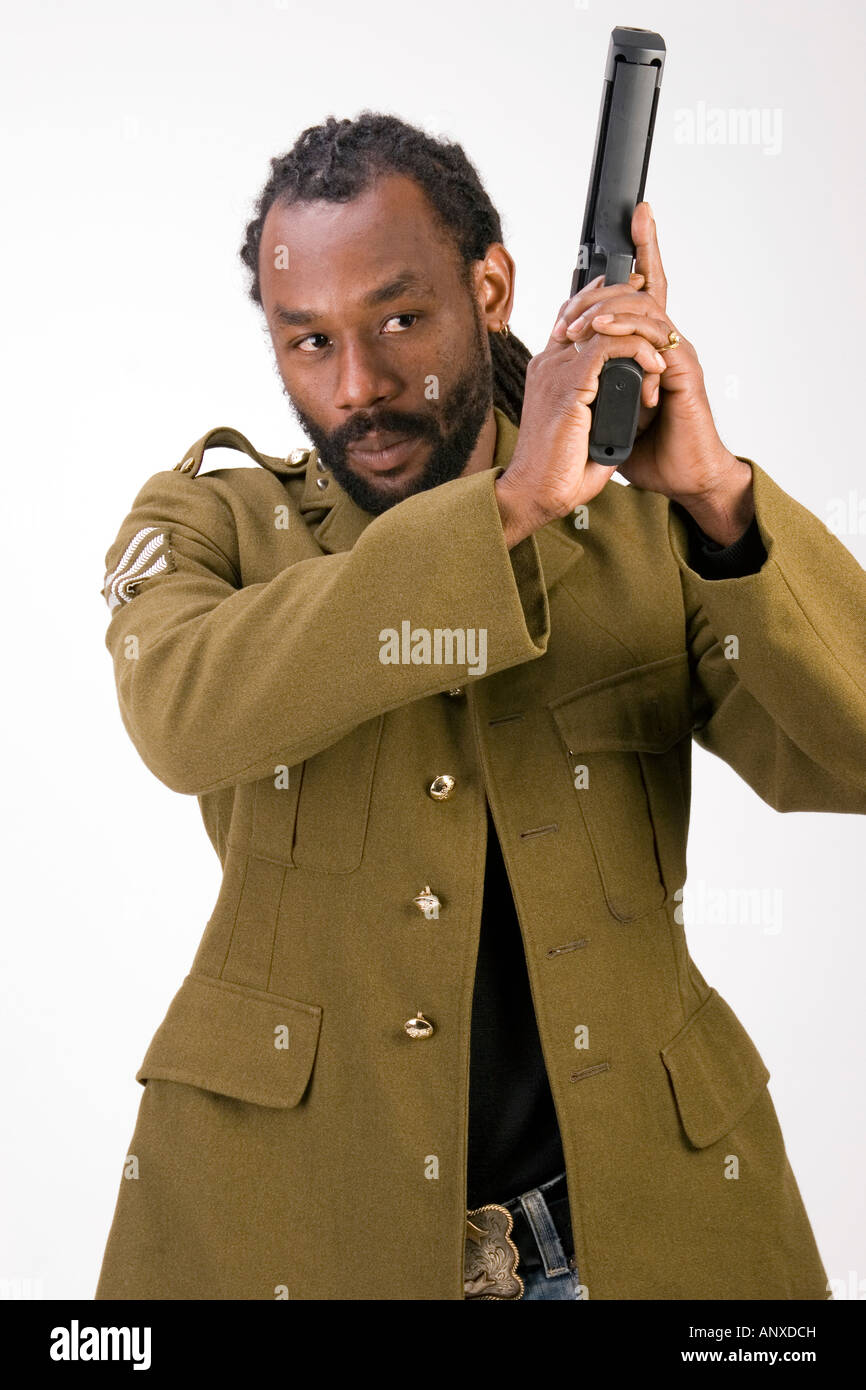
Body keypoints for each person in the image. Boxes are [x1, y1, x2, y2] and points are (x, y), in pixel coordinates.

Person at [95, 113, 864, 1301]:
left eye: (400, 320)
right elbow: (182, 719)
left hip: (642, 1231)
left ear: (490, 285)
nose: (356, 386)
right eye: (307, 341)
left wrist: (716, 496)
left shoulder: (650, 517)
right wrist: (506, 507)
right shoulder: (214, 521)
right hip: (295, 1236)